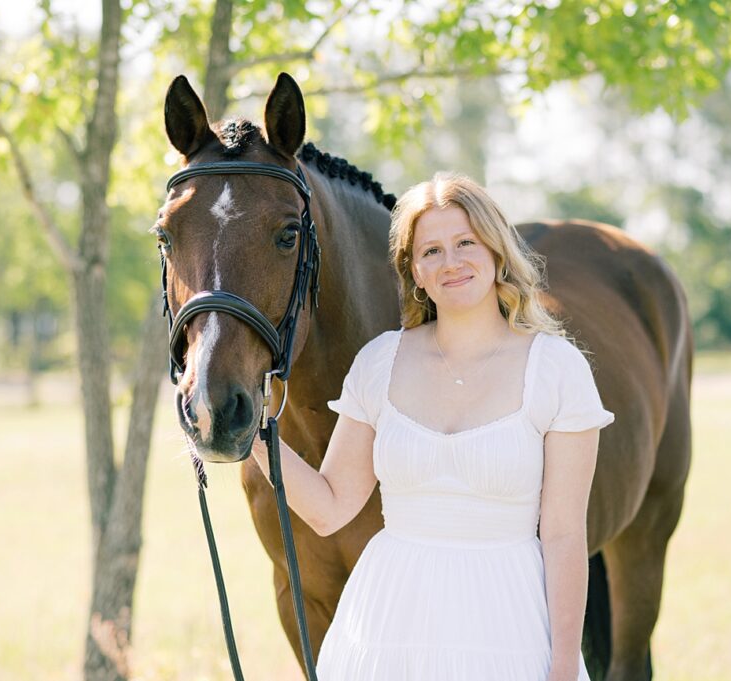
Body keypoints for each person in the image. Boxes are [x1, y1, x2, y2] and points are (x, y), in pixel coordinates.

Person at [250, 172, 614, 681]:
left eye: (466, 242)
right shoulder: (379, 362)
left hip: (508, 625)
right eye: (432, 251)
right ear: (414, 271)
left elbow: (562, 534)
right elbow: (331, 508)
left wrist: (561, 667)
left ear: (496, 251)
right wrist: (252, 435)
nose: (452, 262)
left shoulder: (556, 369)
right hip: (388, 623)